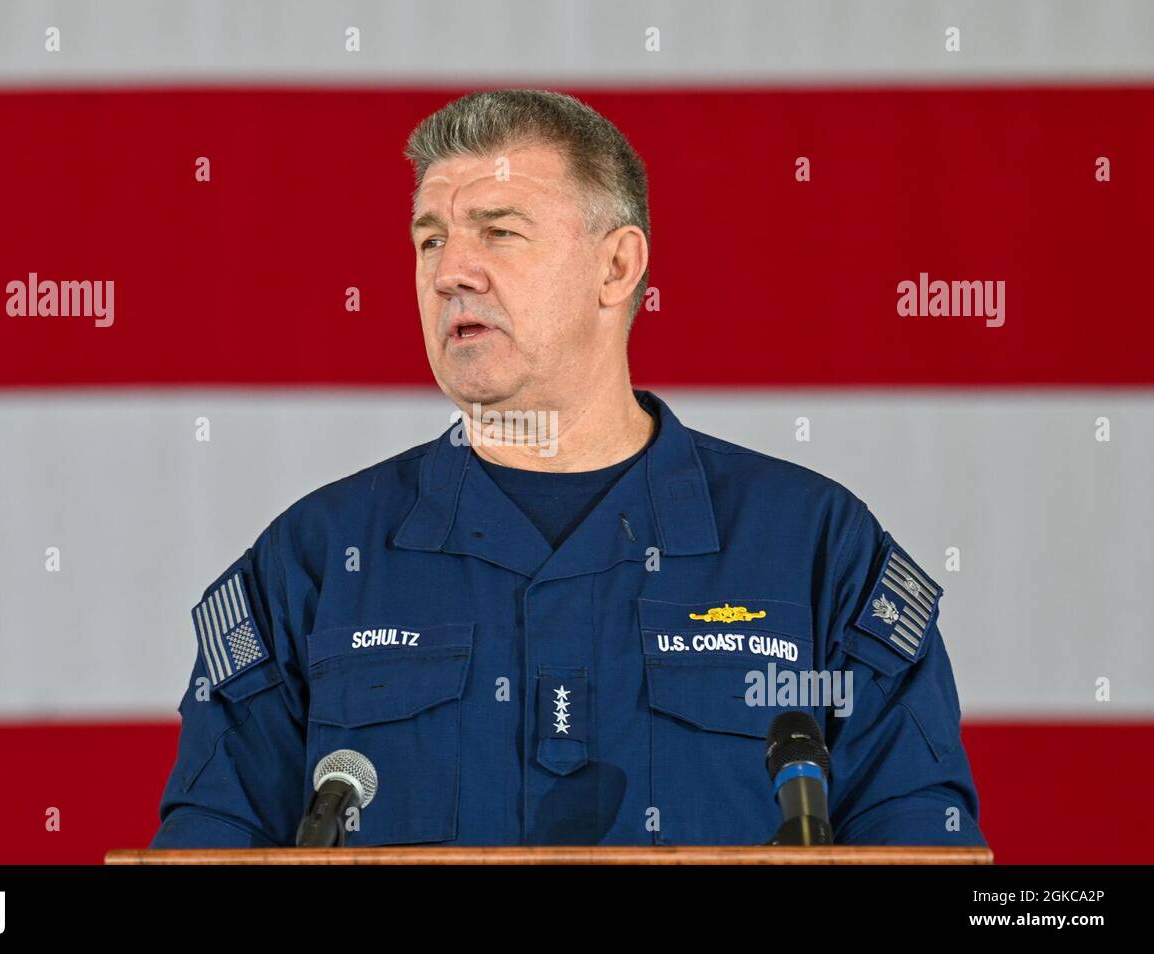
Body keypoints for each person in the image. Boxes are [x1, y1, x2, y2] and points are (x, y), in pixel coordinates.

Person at [150, 89, 984, 848]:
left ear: (616, 267)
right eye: (430, 237)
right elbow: (205, 853)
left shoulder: (816, 550)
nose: (449, 273)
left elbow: (922, 846)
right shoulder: (316, 558)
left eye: (499, 230)